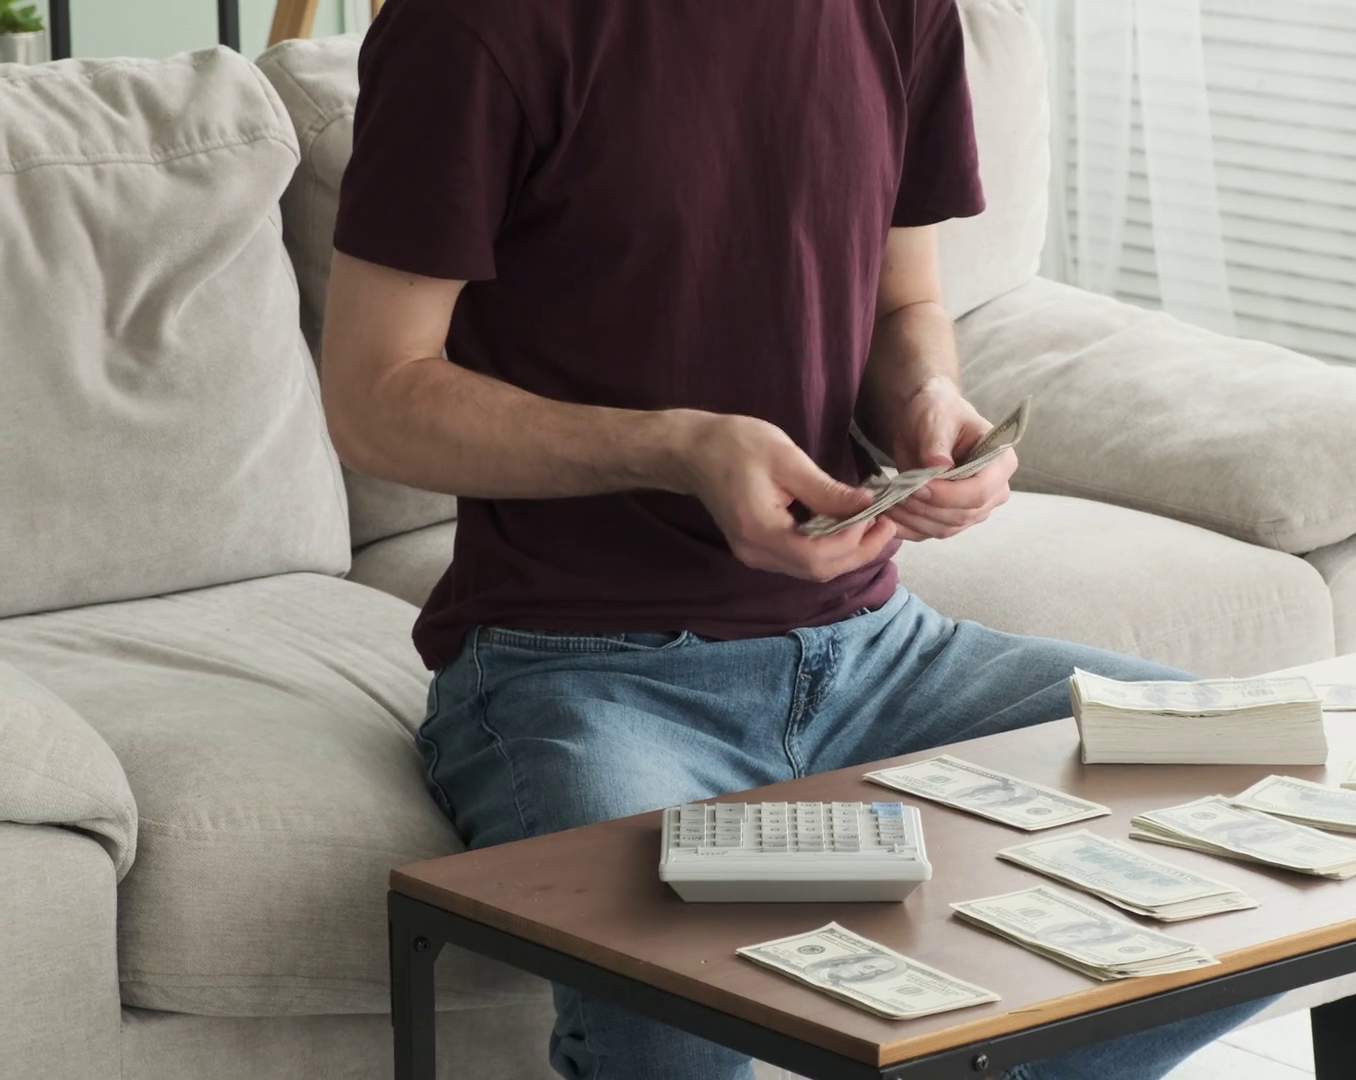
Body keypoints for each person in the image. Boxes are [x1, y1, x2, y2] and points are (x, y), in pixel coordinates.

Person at [320, 1, 1275, 1077]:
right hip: (582, 672)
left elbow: (903, 300)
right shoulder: (473, 26)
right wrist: (682, 448)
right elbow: (374, 394)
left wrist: (927, 399)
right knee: (674, 1016)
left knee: (1271, 814)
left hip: (883, 654)